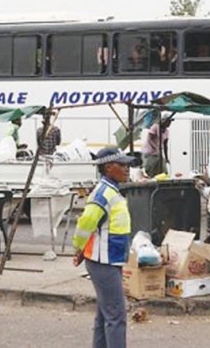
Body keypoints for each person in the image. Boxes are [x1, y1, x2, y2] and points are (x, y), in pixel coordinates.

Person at [72, 147, 134, 348]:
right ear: (109, 167)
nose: (127, 169)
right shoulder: (103, 193)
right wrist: (78, 248)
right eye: (122, 165)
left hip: (109, 260)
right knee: (116, 317)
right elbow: (86, 223)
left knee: (105, 316)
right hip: (103, 262)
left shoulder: (111, 191)